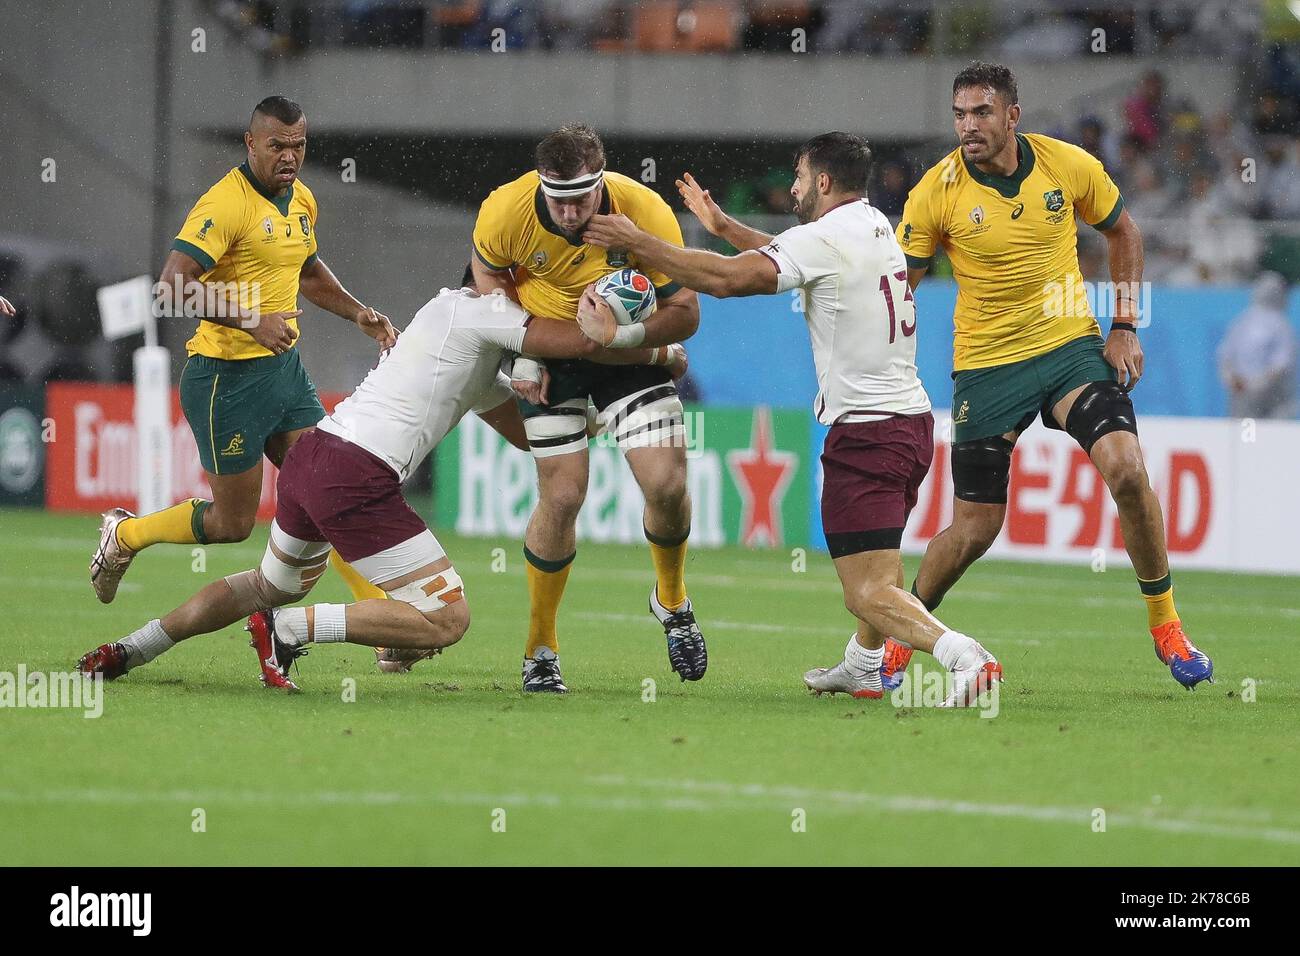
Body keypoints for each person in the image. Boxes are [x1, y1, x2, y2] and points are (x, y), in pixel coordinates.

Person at [76, 275, 687, 690]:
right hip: (354, 475)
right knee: (448, 618)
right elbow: (577, 339)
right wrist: (656, 355)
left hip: (315, 457)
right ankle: (288, 632)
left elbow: (530, 434)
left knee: (266, 584)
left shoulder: (460, 335)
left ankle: (131, 649)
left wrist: (587, 413)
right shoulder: (481, 311)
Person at [581, 133, 1002, 706]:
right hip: (909, 423)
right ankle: (863, 665)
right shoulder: (873, 225)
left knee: (866, 590)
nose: (793, 187)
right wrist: (729, 230)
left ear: (823, 182)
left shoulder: (827, 237)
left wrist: (641, 243)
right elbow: (793, 257)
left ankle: (963, 656)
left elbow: (731, 281)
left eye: (800, 177)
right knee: (880, 564)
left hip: (869, 432)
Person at [895, 62, 1212, 689]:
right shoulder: (936, 191)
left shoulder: (1066, 165)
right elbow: (900, 285)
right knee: (975, 529)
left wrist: (1125, 324)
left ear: (1014, 115)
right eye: (959, 114)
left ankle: (1167, 625)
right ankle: (904, 637)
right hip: (986, 367)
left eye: (982, 113)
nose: (969, 127)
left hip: (1069, 346)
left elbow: (1123, 230)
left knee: (1128, 470)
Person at [89, 95, 393, 610]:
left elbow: (309, 273)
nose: (290, 157)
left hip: (284, 375)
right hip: (224, 381)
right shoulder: (224, 204)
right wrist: (253, 320)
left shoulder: (301, 200)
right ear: (251, 143)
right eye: (278, 146)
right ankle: (126, 536)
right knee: (231, 524)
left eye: (299, 146)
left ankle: (379, 615)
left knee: (326, 491)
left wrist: (357, 312)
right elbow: (170, 288)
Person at [471, 123, 706, 692]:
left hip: (626, 356)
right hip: (552, 357)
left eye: (582, 199)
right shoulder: (504, 211)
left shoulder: (643, 212)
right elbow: (486, 275)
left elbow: (687, 311)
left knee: (667, 484)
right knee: (563, 494)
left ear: (602, 185)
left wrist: (628, 341)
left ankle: (671, 601)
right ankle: (540, 648)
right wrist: (518, 343)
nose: (572, 212)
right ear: (540, 186)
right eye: (560, 200)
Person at [1218, 272, 1297, 419]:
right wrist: (1254, 383)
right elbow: (1282, 363)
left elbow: (1225, 356)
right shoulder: (1280, 325)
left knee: (1247, 436)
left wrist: (1237, 381)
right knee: (1265, 438)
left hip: (1258, 396)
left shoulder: (1243, 320)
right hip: (1262, 397)